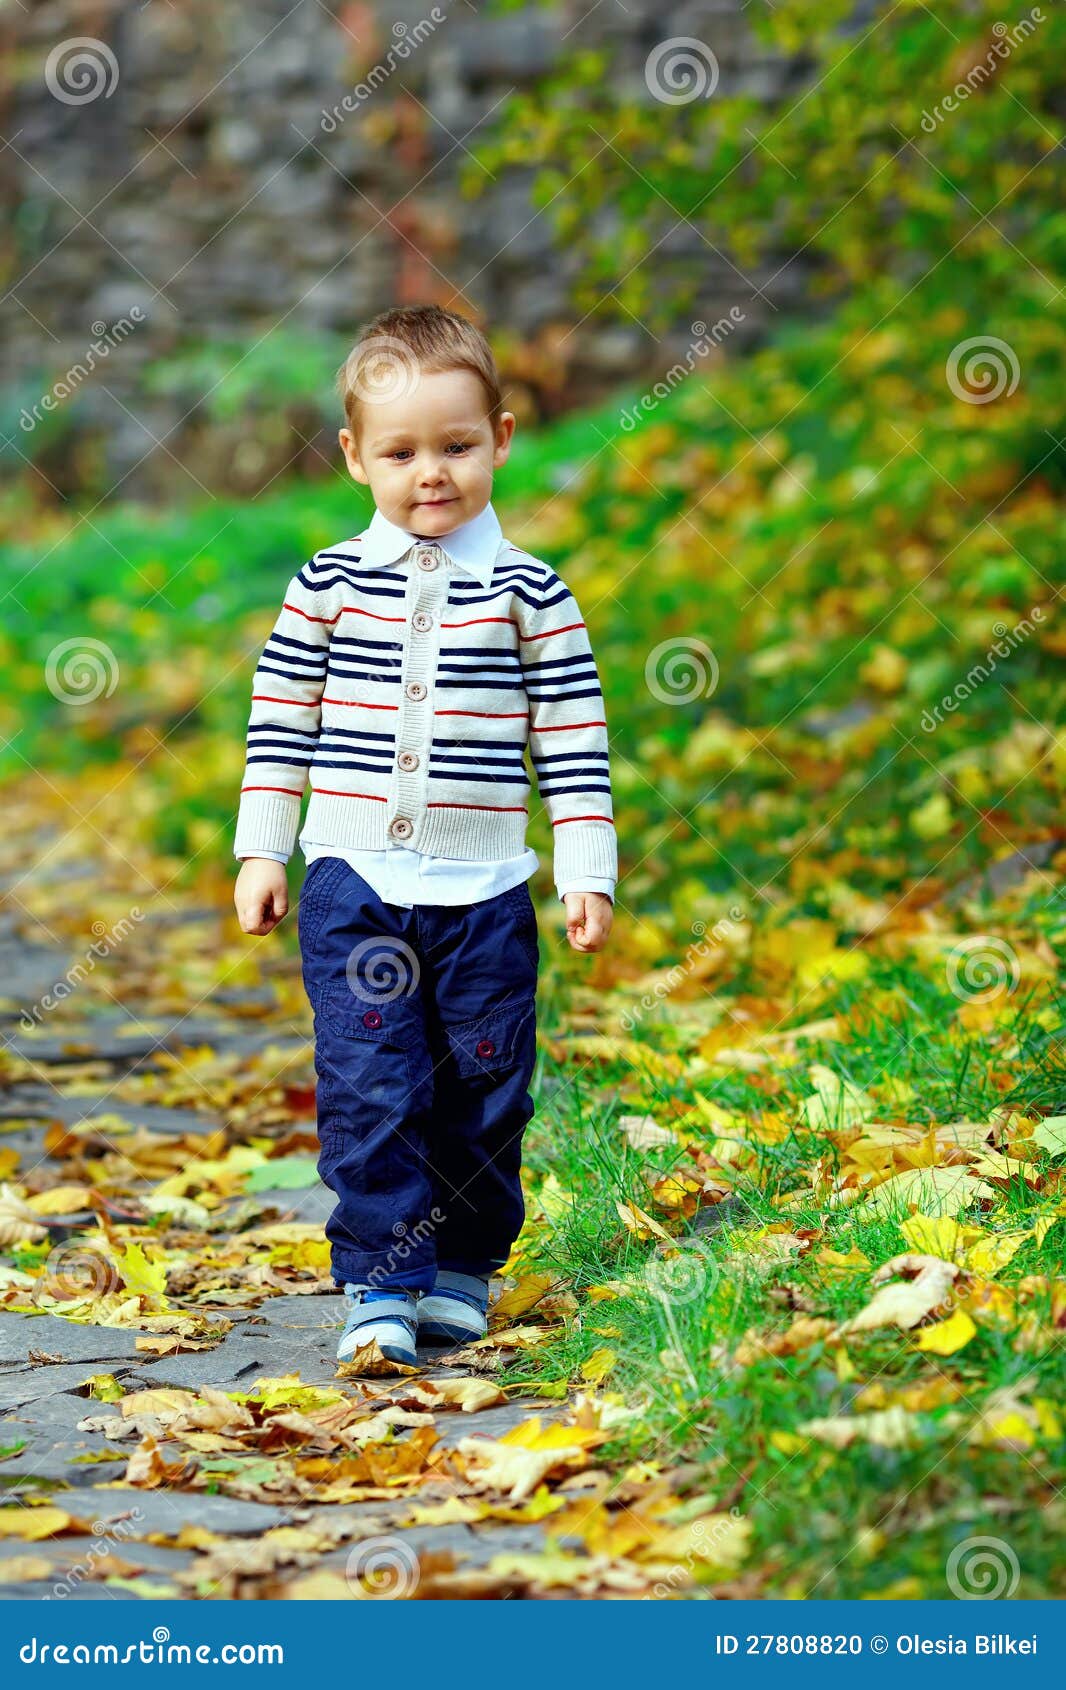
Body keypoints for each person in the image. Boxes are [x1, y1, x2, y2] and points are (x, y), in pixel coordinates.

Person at [233, 304, 616, 1370]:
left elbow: (574, 741)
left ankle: (461, 1265)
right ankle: (382, 1281)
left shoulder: (532, 594)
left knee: (486, 1085)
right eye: (401, 452)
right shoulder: (326, 585)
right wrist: (263, 846)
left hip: (485, 890)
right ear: (356, 456)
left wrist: (587, 867)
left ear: (499, 438)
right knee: (371, 1082)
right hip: (354, 881)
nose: (430, 473)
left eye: (455, 446)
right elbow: (282, 720)